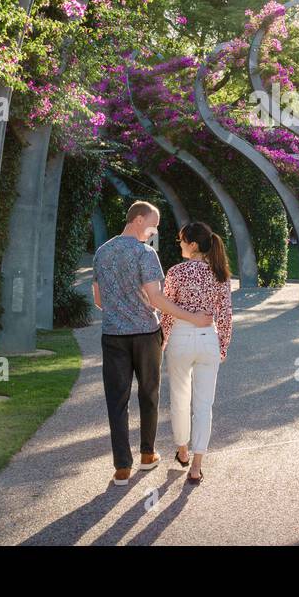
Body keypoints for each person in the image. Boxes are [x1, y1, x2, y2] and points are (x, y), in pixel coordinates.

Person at [92, 201, 210, 487]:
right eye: (153, 224)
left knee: (117, 401)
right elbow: (157, 300)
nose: (154, 230)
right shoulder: (146, 254)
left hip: (113, 337)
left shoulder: (102, 252)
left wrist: (119, 309)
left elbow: (98, 300)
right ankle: (147, 454)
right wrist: (193, 318)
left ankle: (122, 467)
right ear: (138, 219)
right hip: (146, 335)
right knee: (149, 395)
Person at [160, 221, 234, 485]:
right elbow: (225, 315)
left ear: (192, 244)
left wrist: (163, 340)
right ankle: (196, 466)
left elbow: (166, 310)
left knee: (180, 398)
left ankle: (182, 450)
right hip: (207, 339)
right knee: (204, 405)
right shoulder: (220, 274)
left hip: (180, 337)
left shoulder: (176, 272)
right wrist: (222, 345)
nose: (179, 244)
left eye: (181, 240)